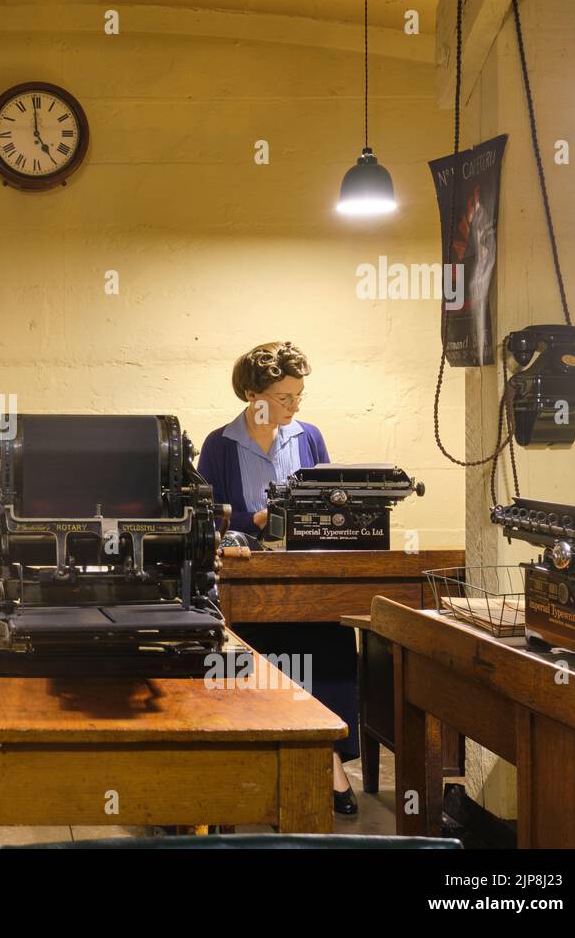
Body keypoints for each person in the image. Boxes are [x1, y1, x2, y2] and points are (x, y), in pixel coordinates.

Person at [197, 341, 361, 814]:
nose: (293, 407)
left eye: (298, 397)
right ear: (253, 395)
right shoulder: (220, 445)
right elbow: (209, 516)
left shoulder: (309, 437)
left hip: (304, 573)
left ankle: (327, 755)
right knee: (248, 647)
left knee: (330, 641)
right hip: (249, 580)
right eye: (284, 398)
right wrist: (258, 521)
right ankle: (255, 755)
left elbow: (331, 501)